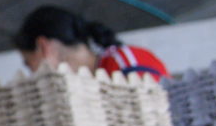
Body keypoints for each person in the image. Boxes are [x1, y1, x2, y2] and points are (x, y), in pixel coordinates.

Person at [12, 5, 169, 80]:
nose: (31, 73)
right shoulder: (90, 83)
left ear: (43, 48)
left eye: (28, 63)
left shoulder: (126, 64)